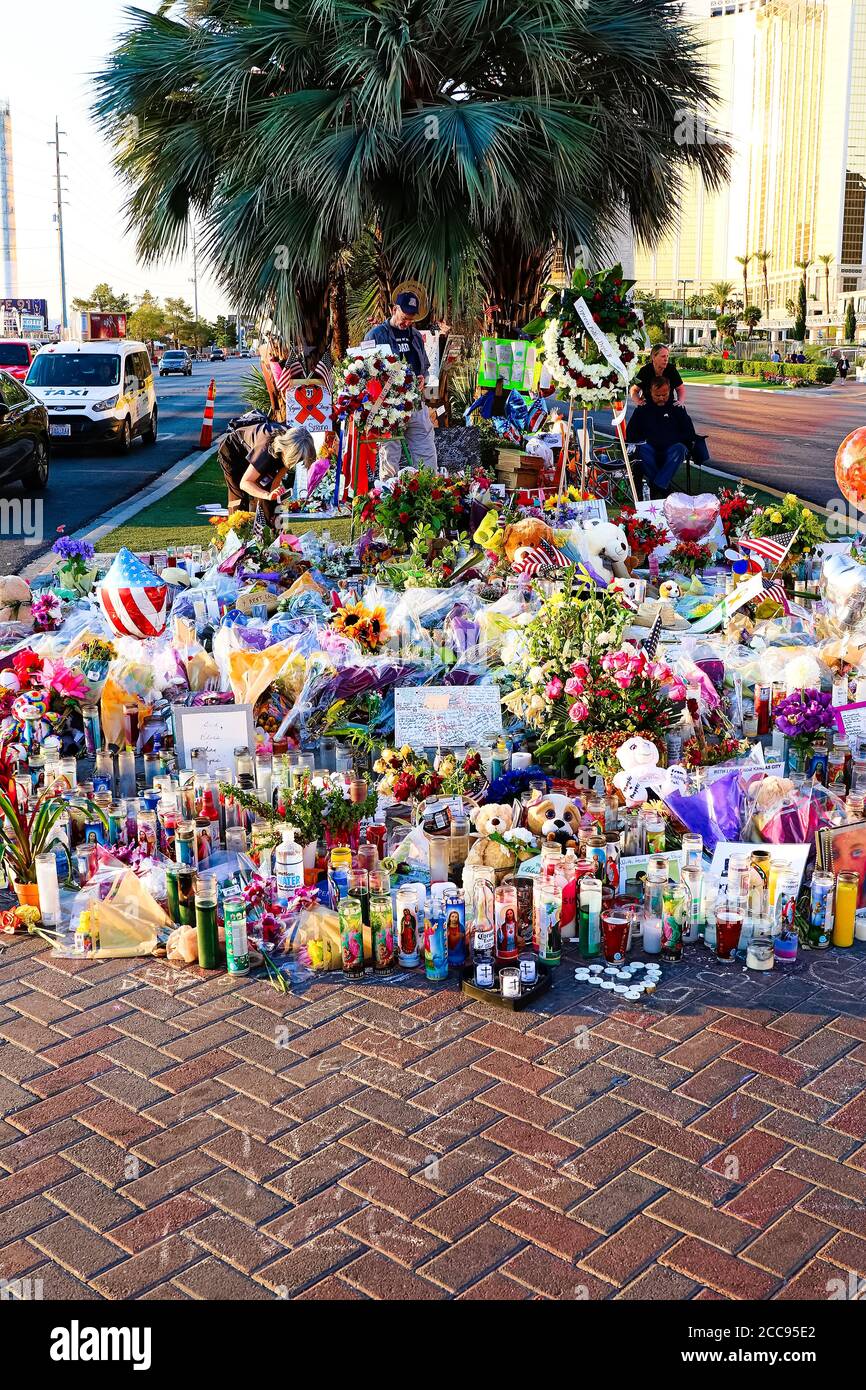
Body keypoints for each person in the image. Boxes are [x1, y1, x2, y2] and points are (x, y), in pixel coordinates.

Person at [368, 291, 437, 474]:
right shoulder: (376, 335)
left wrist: (423, 378)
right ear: (394, 309)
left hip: (415, 404)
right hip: (389, 407)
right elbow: (366, 373)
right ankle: (388, 496)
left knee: (426, 451)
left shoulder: (415, 336)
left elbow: (424, 366)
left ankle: (429, 493)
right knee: (390, 454)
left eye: (411, 320)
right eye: (404, 317)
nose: (407, 323)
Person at [218, 421, 316, 524]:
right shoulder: (265, 452)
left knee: (271, 496)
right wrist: (266, 495)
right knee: (240, 499)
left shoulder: (295, 438)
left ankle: (272, 532)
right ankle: (238, 534)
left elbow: (283, 470)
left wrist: (274, 489)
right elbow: (245, 483)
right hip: (234, 453)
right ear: (287, 451)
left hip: (268, 451)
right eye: (296, 459)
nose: (296, 462)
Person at [625, 376, 699, 496]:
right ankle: (664, 487)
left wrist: (682, 441)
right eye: (657, 395)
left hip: (671, 449)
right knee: (640, 449)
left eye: (664, 395)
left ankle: (657, 485)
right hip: (650, 448)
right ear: (650, 392)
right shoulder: (643, 408)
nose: (661, 398)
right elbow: (631, 432)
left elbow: (689, 432)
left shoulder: (677, 408)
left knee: (680, 449)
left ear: (669, 391)